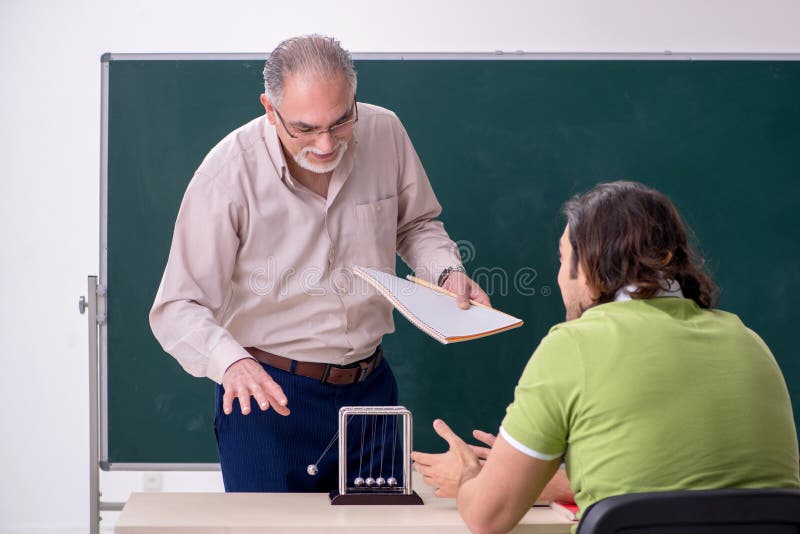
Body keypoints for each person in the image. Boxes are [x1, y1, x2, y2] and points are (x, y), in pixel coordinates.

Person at [149, 34, 489, 492]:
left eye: (340, 122)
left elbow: (415, 225)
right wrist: (230, 364)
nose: (326, 145)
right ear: (270, 110)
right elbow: (178, 306)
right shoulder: (228, 172)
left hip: (371, 392)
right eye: (305, 129)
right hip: (266, 397)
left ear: (354, 99)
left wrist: (446, 272)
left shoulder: (385, 131)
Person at [411, 181, 800, 533]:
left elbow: (487, 516)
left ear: (590, 262)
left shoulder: (573, 347)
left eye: (563, 260)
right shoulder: (750, 343)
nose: (560, 277)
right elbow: (678, 479)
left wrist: (469, 474)